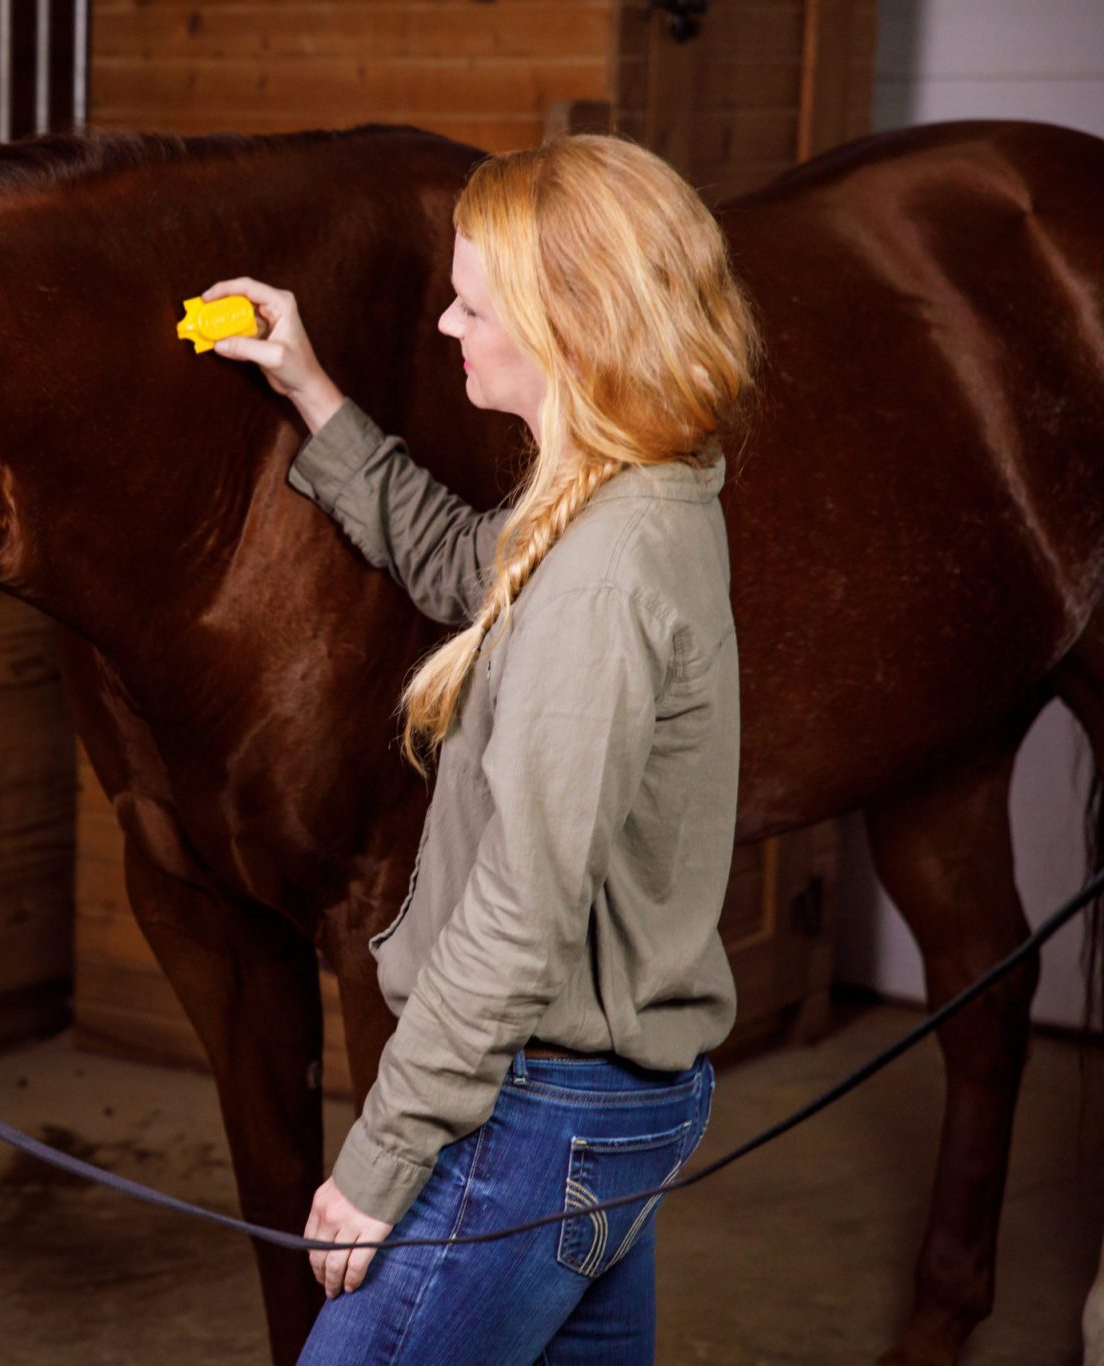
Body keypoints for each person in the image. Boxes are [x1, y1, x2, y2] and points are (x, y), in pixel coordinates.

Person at [204, 132, 760, 1364]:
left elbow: (517, 917)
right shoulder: (637, 492)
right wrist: (307, 386)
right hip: (601, 1116)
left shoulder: (603, 573)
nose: (446, 325)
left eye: (472, 304)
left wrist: (380, 1156)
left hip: (532, 1119)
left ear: (570, 324)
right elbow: (466, 563)